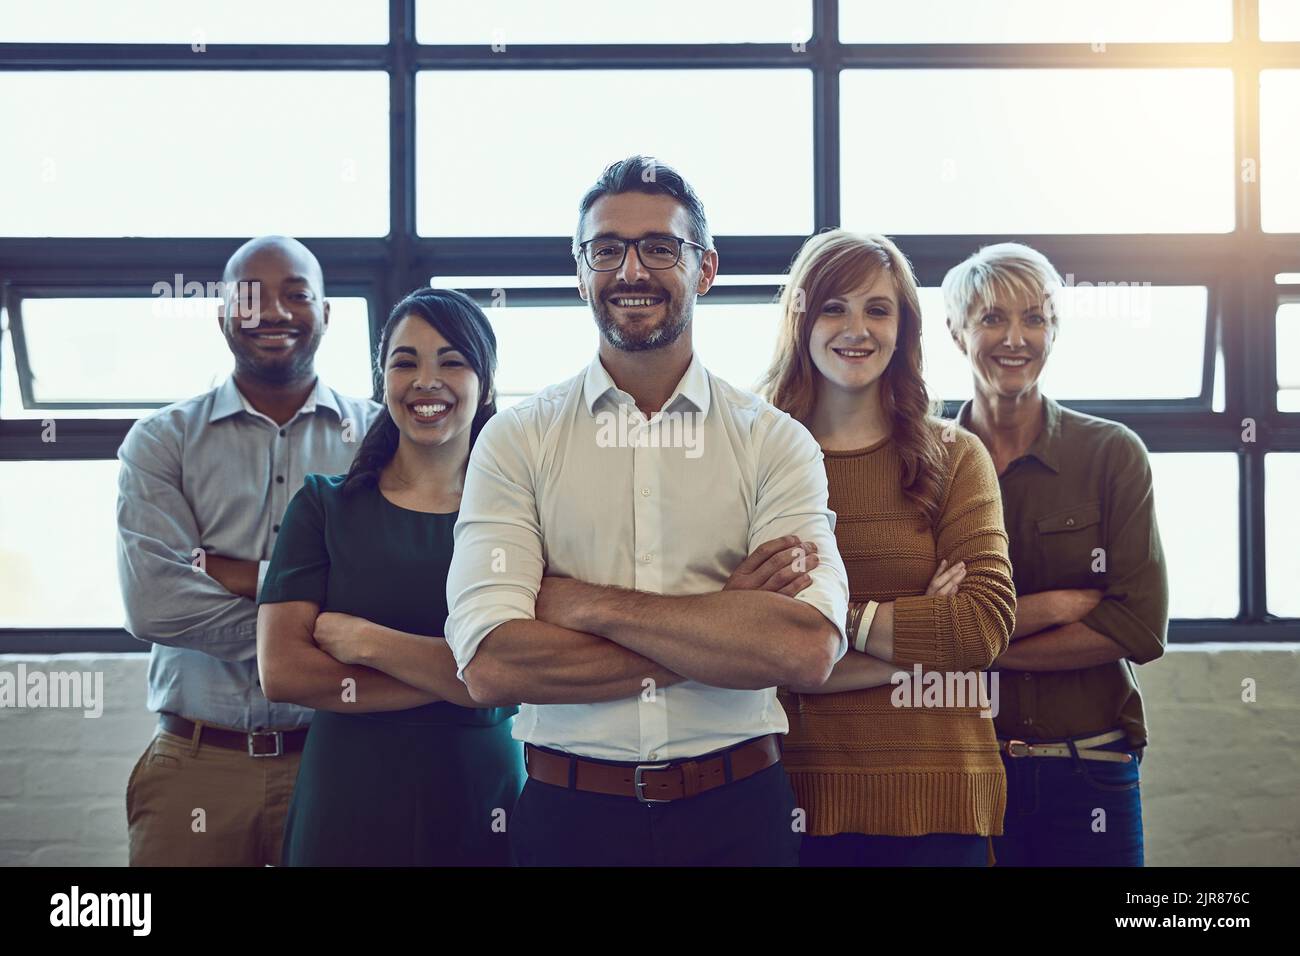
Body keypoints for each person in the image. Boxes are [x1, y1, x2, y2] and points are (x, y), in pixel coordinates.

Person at [443, 156, 851, 867]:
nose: (632, 270)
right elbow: (490, 664)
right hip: (568, 821)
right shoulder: (515, 440)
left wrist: (585, 605)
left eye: (660, 247)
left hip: (739, 813)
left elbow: (802, 648)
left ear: (705, 268)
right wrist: (723, 619)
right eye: (607, 249)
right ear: (580, 272)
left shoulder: (773, 441)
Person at [117, 236, 380, 866]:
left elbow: (393, 592)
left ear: (327, 311)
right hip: (197, 766)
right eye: (251, 296)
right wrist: (320, 621)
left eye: (297, 294)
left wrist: (239, 575)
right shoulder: (162, 442)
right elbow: (154, 605)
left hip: (339, 762)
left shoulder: (379, 438)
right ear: (221, 314)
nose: (276, 313)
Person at [759, 230, 1015, 867]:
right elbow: (752, 645)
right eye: (833, 307)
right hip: (793, 797)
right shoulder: (753, 457)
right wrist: (914, 640)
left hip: (940, 798)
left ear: (904, 329)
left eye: (878, 308)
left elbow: (983, 624)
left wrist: (828, 628)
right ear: (801, 319)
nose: (857, 328)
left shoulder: (956, 457)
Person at [256, 288, 522, 866]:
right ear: (382, 382)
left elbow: (526, 672)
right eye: (406, 362)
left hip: (483, 798)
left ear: (487, 382)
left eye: (452, 361)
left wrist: (368, 644)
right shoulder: (323, 508)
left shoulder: (521, 516)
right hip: (349, 799)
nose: (427, 380)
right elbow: (284, 673)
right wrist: (471, 686)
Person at [943, 242, 1169, 866]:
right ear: (956, 333)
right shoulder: (923, 459)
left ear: (1054, 332)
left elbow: (1138, 626)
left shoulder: (1112, 455)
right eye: (991, 318)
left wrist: (980, 649)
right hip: (964, 774)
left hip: (1090, 767)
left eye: (1034, 319)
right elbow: (912, 617)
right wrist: (1060, 607)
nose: (1015, 338)